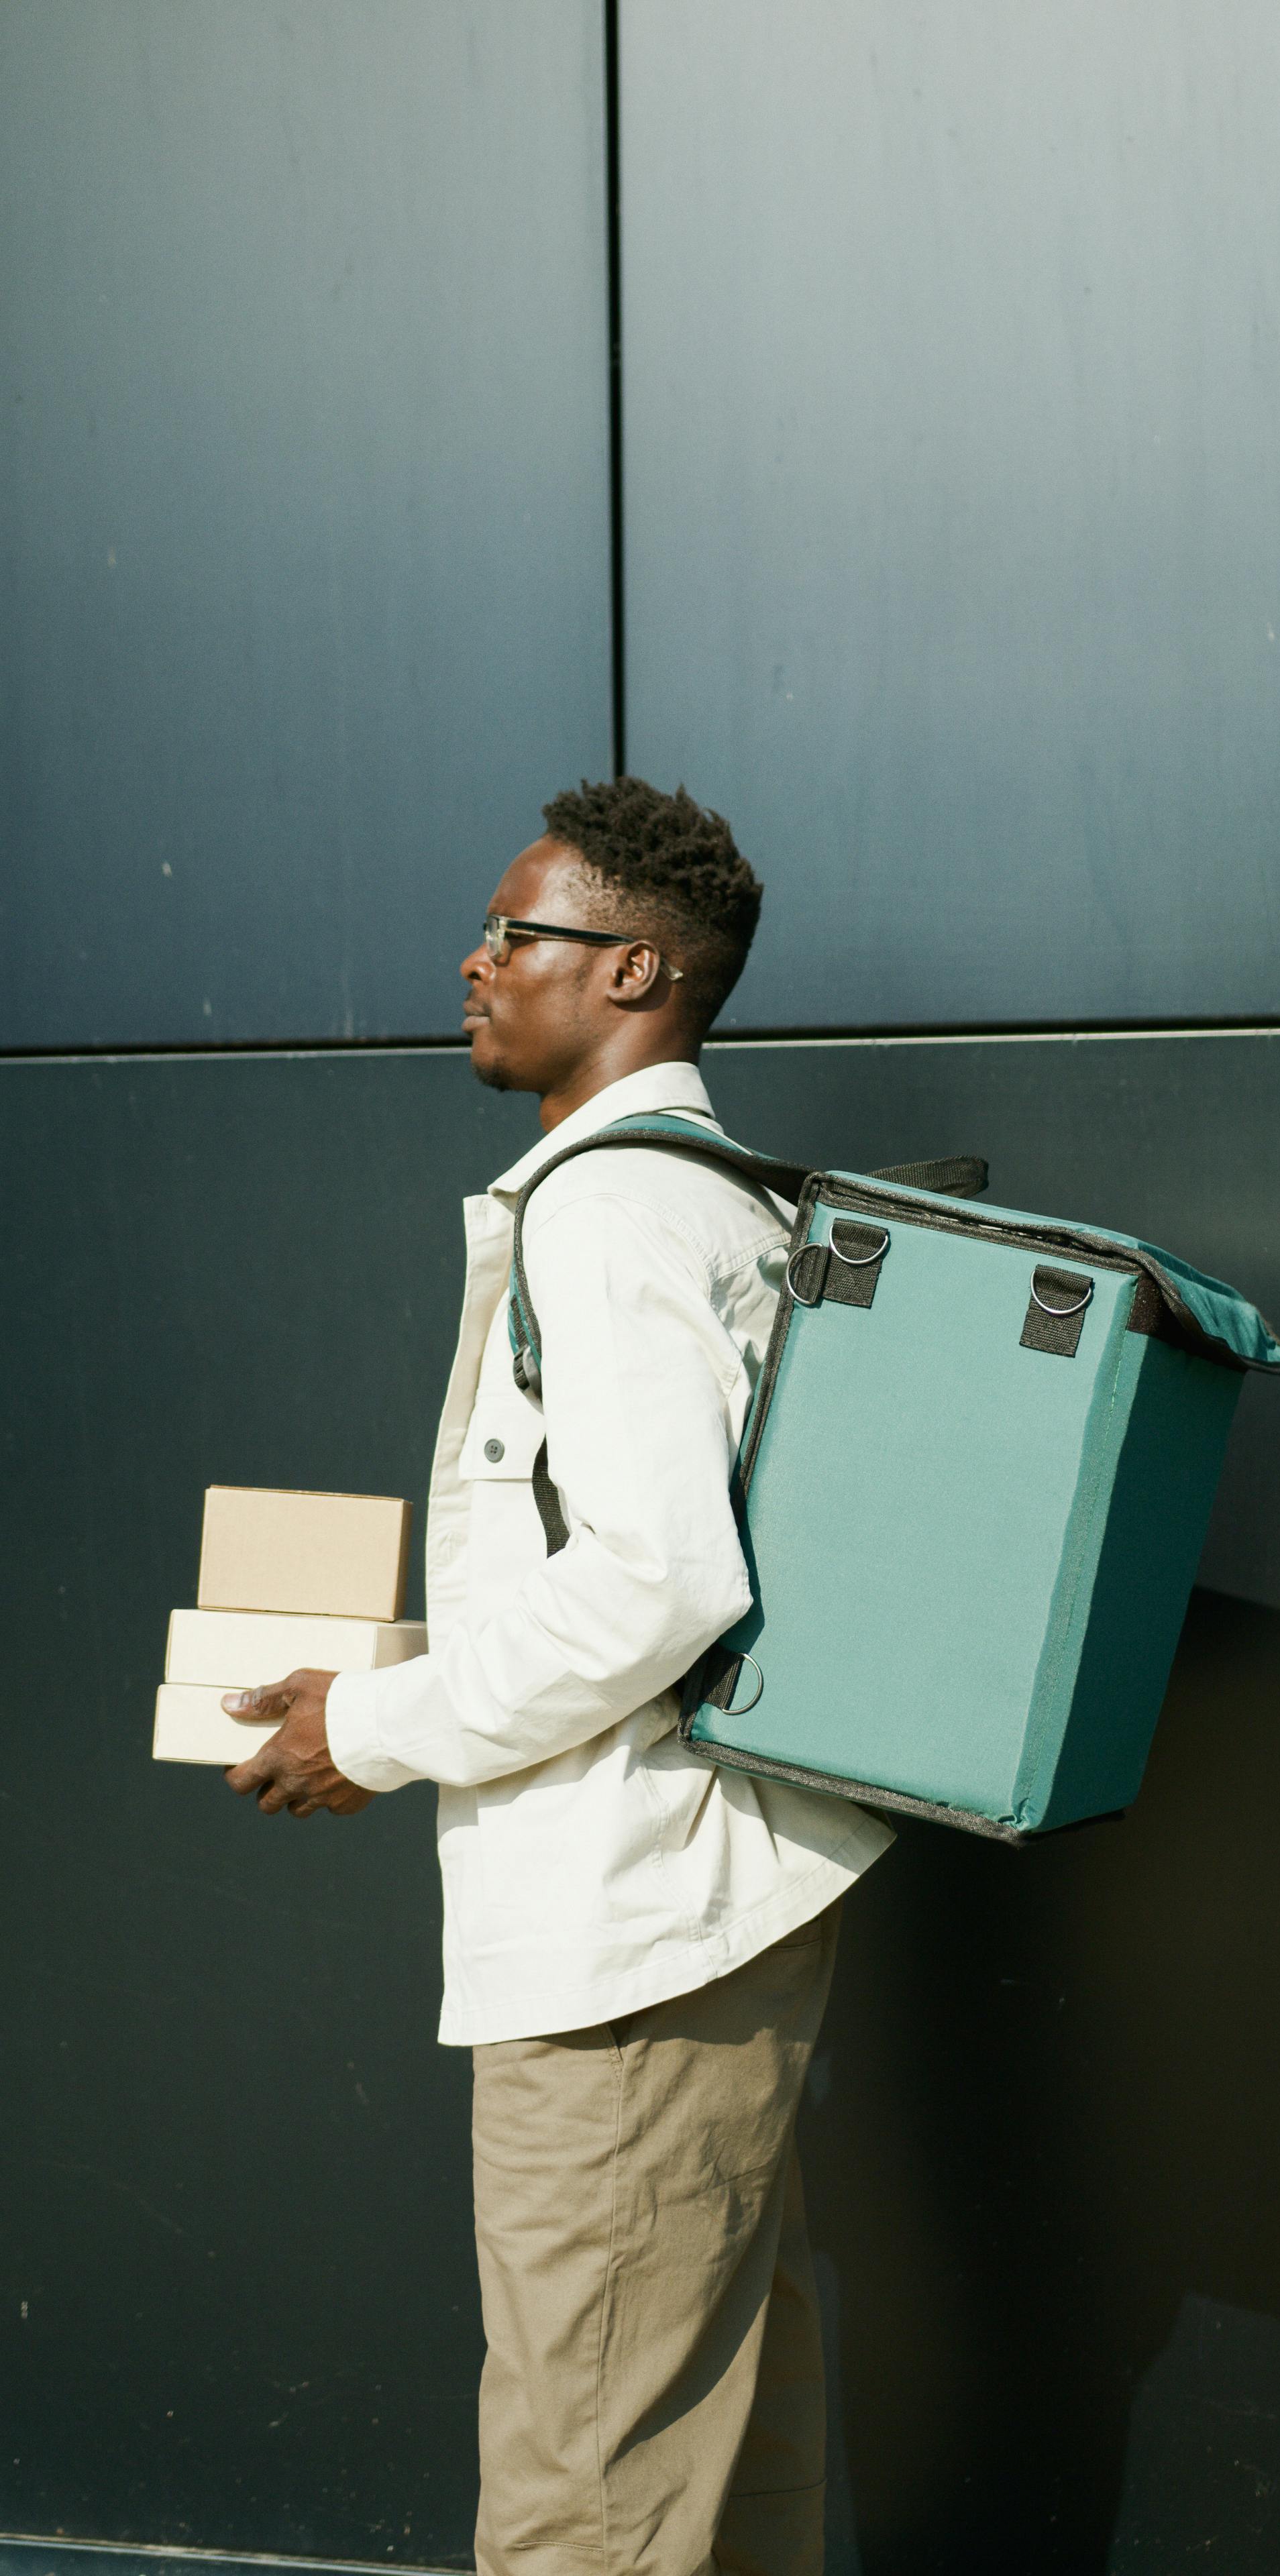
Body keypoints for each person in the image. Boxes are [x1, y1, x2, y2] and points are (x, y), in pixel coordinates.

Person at [223, 776, 894, 2576]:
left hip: (625, 1932)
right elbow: (628, 1567)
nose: (477, 959)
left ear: (639, 973)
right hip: (697, 1909)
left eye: (520, 934)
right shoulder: (704, 1201)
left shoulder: (614, 1213)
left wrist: (374, 1729)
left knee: (585, 2484)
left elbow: (662, 1581)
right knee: (711, 2458)